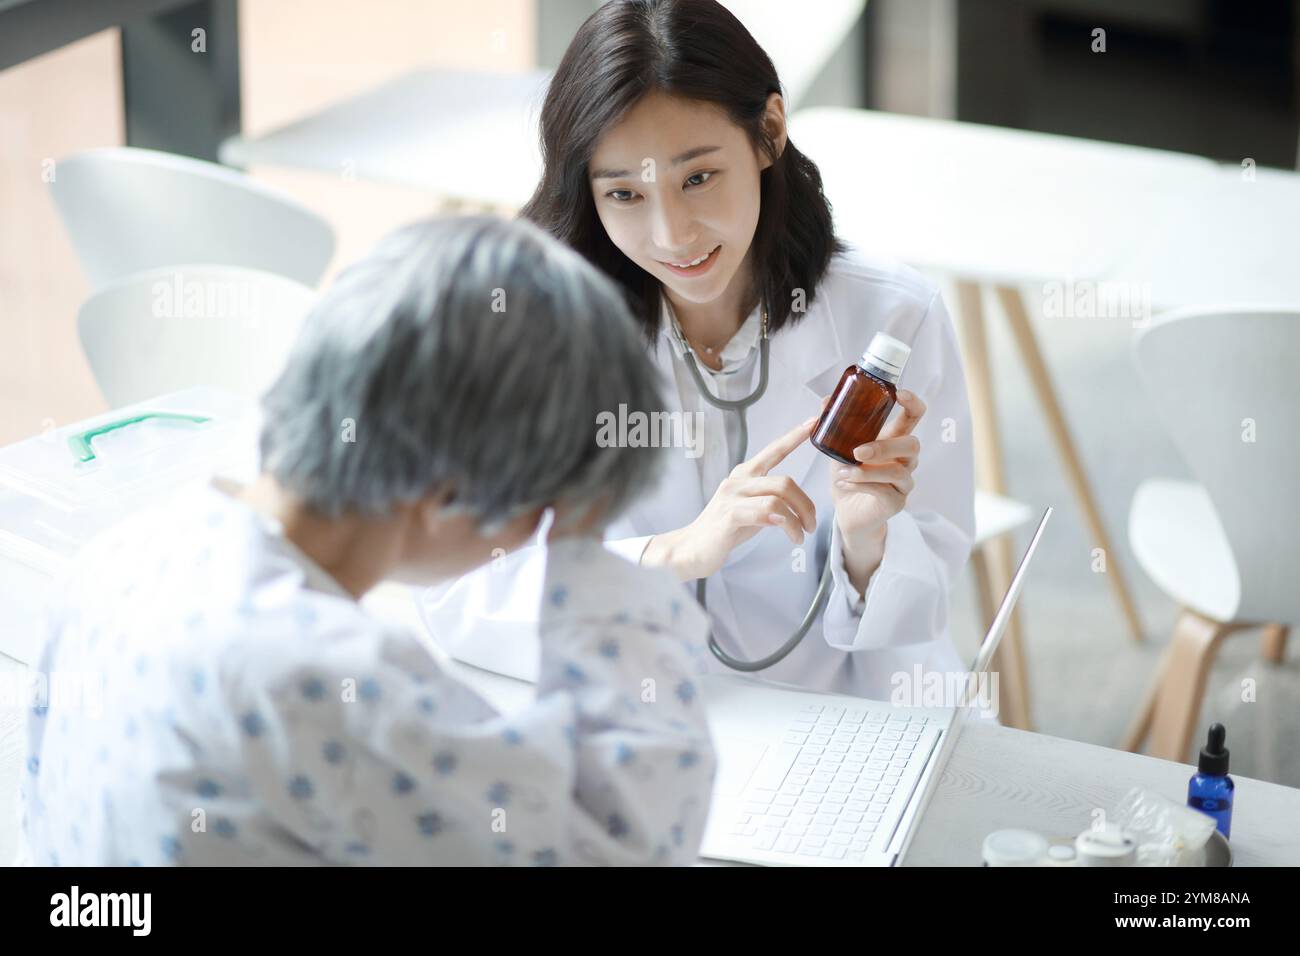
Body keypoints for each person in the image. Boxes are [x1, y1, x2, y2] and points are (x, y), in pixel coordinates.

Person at [21, 215, 716, 866]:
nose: (538, 538)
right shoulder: (322, 674)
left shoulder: (119, 557)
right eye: (541, 513)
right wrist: (584, 560)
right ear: (448, 493)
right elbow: (631, 843)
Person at [423, 0, 975, 701]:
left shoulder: (892, 315)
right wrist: (676, 553)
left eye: (698, 178)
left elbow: (930, 585)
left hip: (841, 707)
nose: (673, 234)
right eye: (624, 193)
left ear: (768, 133)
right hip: (632, 700)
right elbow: (458, 586)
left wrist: (867, 540)